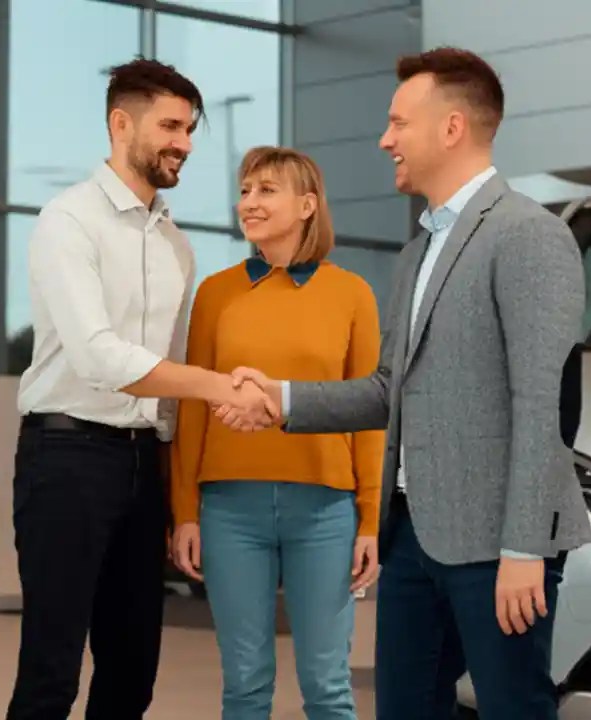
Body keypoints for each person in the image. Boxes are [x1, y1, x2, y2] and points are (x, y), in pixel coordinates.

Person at [216, 47, 591, 719]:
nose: (385, 139)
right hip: (415, 538)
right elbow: (391, 388)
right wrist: (282, 398)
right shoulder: (418, 251)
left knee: (513, 708)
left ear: (451, 127)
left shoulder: (527, 234)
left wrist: (524, 549)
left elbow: (544, 404)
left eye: (398, 124)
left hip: (495, 542)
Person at [8, 58, 276, 720]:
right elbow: (101, 356)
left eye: (189, 128)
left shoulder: (177, 248)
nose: (184, 142)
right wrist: (221, 386)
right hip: (66, 459)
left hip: (141, 463)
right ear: (120, 124)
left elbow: (168, 378)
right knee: (52, 672)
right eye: (170, 126)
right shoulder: (69, 220)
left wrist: (179, 495)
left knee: (132, 673)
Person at [168, 145, 382, 720]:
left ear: (307, 204)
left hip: (326, 508)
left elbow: (370, 411)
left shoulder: (353, 294)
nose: (249, 203)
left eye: (266, 190)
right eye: (244, 191)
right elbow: (192, 408)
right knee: (243, 682)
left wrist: (371, 518)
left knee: (328, 685)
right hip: (229, 508)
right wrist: (185, 509)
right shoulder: (215, 293)